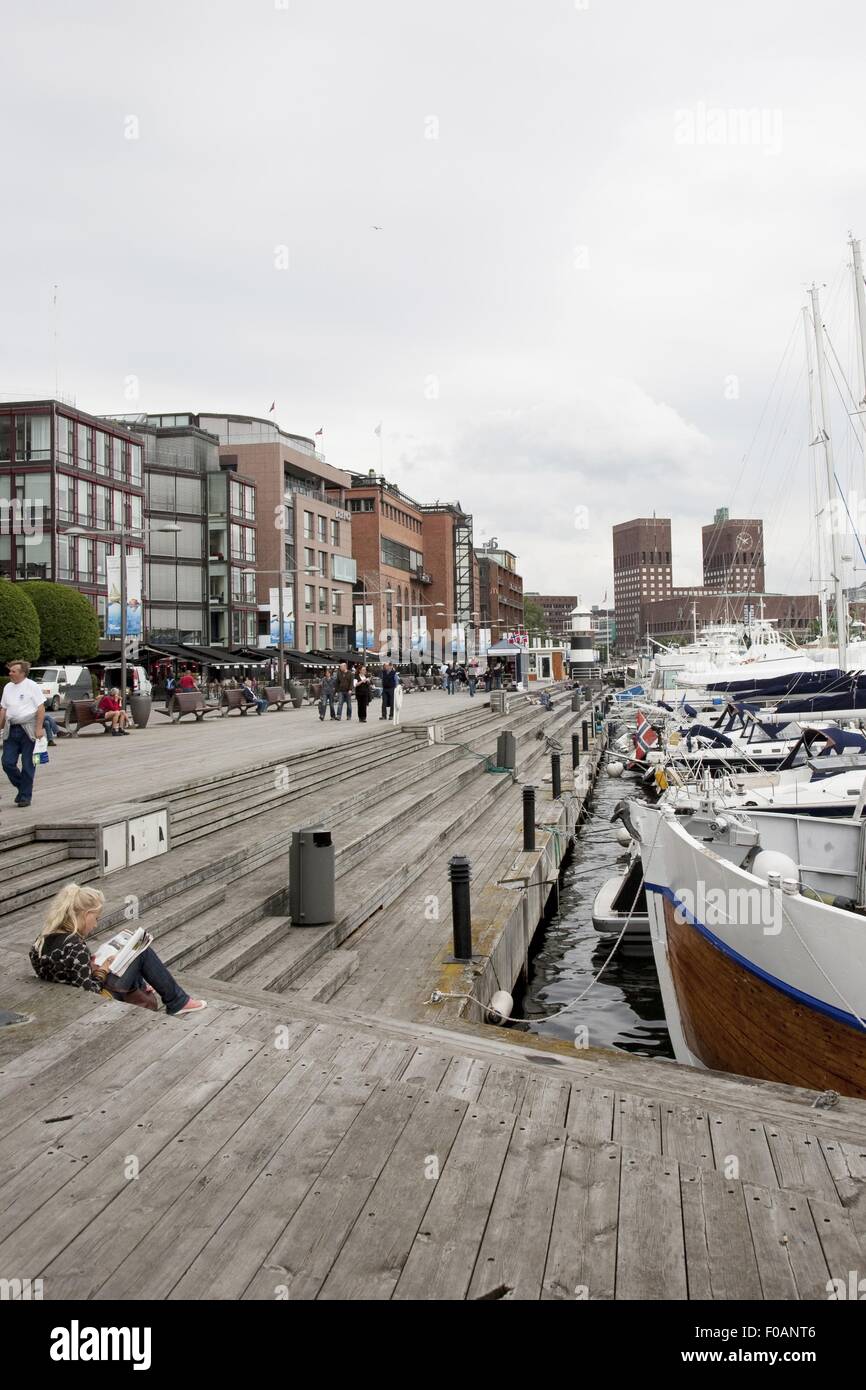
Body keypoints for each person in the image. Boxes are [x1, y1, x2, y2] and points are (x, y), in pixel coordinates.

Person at [30, 882, 206, 1015]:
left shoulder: (41, 941)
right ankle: (178, 1001)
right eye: (96, 918)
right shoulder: (76, 947)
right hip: (93, 1005)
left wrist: (92, 965)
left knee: (129, 953)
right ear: (86, 915)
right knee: (141, 952)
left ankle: (147, 987)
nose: (96, 924)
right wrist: (103, 970)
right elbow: (89, 993)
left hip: (61, 999)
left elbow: (66, 975)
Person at [0, 659, 46, 809]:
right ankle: (23, 787)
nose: (10, 673)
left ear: (22, 673)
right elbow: (3, 709)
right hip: (12, 728)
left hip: (28, 730)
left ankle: (25, 796)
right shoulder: (7, 687)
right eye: (10, 671)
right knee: (7, 762)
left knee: (28, 765)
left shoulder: (32, 686)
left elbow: (40, 708)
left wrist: (38, 729)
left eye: (13, 671)